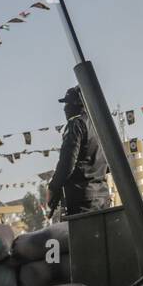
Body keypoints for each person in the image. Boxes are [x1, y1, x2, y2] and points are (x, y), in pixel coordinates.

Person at [47, 85, 111, 219]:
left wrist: (53, 188)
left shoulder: (76, 124)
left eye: (67, 104)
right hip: (103, 198)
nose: (65, 108)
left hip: (82, 200)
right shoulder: (100, 125)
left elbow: (67, 163)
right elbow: (109, 165)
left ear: (76, 104)